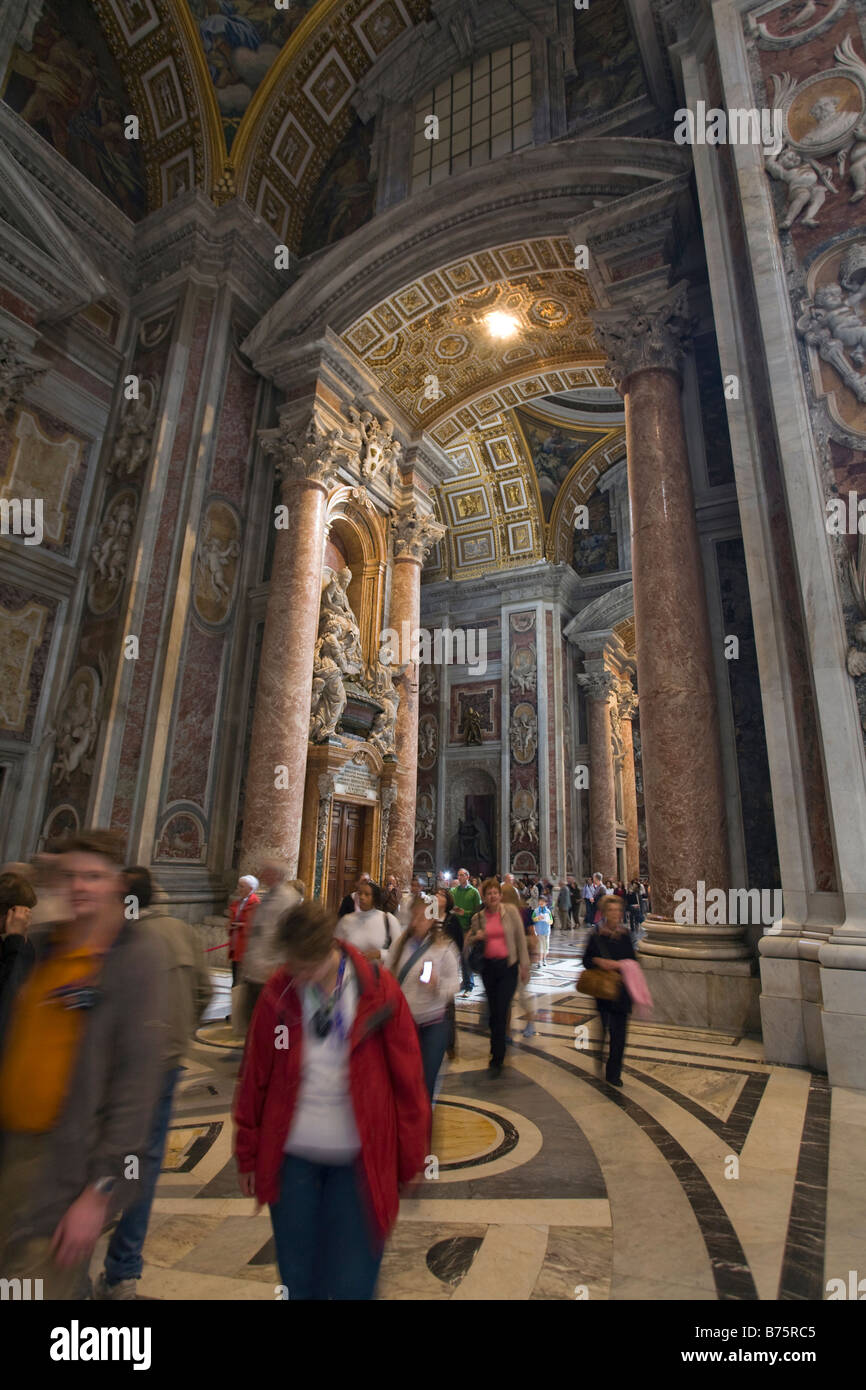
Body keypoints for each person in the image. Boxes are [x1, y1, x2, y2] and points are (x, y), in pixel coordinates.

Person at [233, 899, 430, 1300]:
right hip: (293, 1160)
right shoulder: (279, 991)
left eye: (307, 966)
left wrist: (411, 1157)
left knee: (351, 1282)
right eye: (293, 967)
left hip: (359, 1160)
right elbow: (256, 1074)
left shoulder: (376, 987)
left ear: (330, 948)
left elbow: (408, 1078)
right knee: (299, 1278)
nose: (300, 976)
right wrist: (248, 1152)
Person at [0, 830, 167, 1299]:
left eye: (93, 877)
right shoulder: (45, 944)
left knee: (27, 1289)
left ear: (116, 885)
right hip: (12, 1152)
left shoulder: (137, 958)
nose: (80, 886)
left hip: (61, 1174)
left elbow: (136, 1095)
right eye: (71, 875)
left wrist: (101, 1192)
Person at [94, 866, 211, 1299]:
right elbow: (201, 994)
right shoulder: (180, 933)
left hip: (118, 1076)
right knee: (142, 1168)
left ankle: (86, 1247)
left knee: (102, 1164)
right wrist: (177, 1042)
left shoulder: (115, 940)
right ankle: (123, 1269)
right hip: (164, 1068)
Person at [388, 895, 460, 1101]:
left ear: (431, 919)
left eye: (421, 917)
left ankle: (421, 1126)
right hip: (404, 1023)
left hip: (433, 1024)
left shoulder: (444, 947)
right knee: (403, 1080)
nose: (415, 922)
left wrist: (437, 984)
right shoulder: (400, 944)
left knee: (425, 1083)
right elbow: (388, 974)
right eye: (413, 916)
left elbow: (455, 984)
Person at [463, 878, 530, 1077]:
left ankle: (497, 1056)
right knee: (494, 1012)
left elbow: (520, 938)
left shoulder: (510, 913)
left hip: (508, 967)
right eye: (488, 893)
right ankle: (496, 1046)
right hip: (489, 968)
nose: (492, 896)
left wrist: (524, 965)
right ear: (484, 897)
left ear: (500, 896)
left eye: (495, 893)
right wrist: (477, 936)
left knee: (501, 1009)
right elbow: (469, 942)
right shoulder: (478, 918)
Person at [581, 894, 637, 1088]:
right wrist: (599, 961)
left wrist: (620, 965)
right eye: (611, 910)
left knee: (619, 1034)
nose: (615, 914)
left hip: (622, 992)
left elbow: (634, 961)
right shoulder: (596, 936)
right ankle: (601, 1055)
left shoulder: (626, 936)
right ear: (604, 913)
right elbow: (586, 960)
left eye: (617, 911)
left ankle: (614, 1072)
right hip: (603, 992)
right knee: (605, 1029)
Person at [241, 856, 301, 1028]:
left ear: (276, 875)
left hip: (272, 972)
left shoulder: (288, 898)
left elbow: (290, 936)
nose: (262, 874)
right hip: (256, 969)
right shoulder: (267, 896)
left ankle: (275, 1052)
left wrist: (279, 965)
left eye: (267, 871)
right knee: (254, 1021)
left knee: (273, 1023)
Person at [337, 879, 399, 962]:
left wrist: (379, 954)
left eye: (367, 894)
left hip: (377, 972)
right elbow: (336, 948)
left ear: (375, 898)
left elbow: (399, 952)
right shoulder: (347, 920)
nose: (362, 897)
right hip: (349, 972)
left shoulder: (388, 920)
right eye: (360, 894)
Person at [0, 871, 37, 996]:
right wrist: (16, 938)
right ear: (12, 912)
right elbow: (10, 990)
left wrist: (20, 938)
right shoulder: (12, 941)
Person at [450, 867, 482, 995]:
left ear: (467, 877)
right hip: (454, 927)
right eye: (458, 875)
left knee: (465, 956)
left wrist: (465, 913)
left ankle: (469, 984)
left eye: (462, 875)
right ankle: (457, 981)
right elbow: (449, 906)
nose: (460, 877)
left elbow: (478, 912)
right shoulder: (453, 891)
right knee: (452, 956)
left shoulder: (474, 892)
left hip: (467, 928)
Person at [227, 873, 259, 986]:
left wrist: (241, 925)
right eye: (239, 886)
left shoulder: (255, 904)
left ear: (250, 889)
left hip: (246, 946)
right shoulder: (237, 903)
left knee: (243, 980)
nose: (239, 889)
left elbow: (256, 925)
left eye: (242, 886)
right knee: (235, 976)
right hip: (236, 944)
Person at [531, 895, 553, 966]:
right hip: (539, 931)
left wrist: (548, 920)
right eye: (540, 901)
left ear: (546, 903)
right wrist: (537, 918)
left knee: (546, 946)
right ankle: (539, 961)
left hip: (546, 931)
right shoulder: (536, 911)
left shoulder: (548, 911)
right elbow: (532, 920)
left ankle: (544, 959)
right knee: (539, 947)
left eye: (543, 901)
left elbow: (551, 921)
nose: (541, 902)